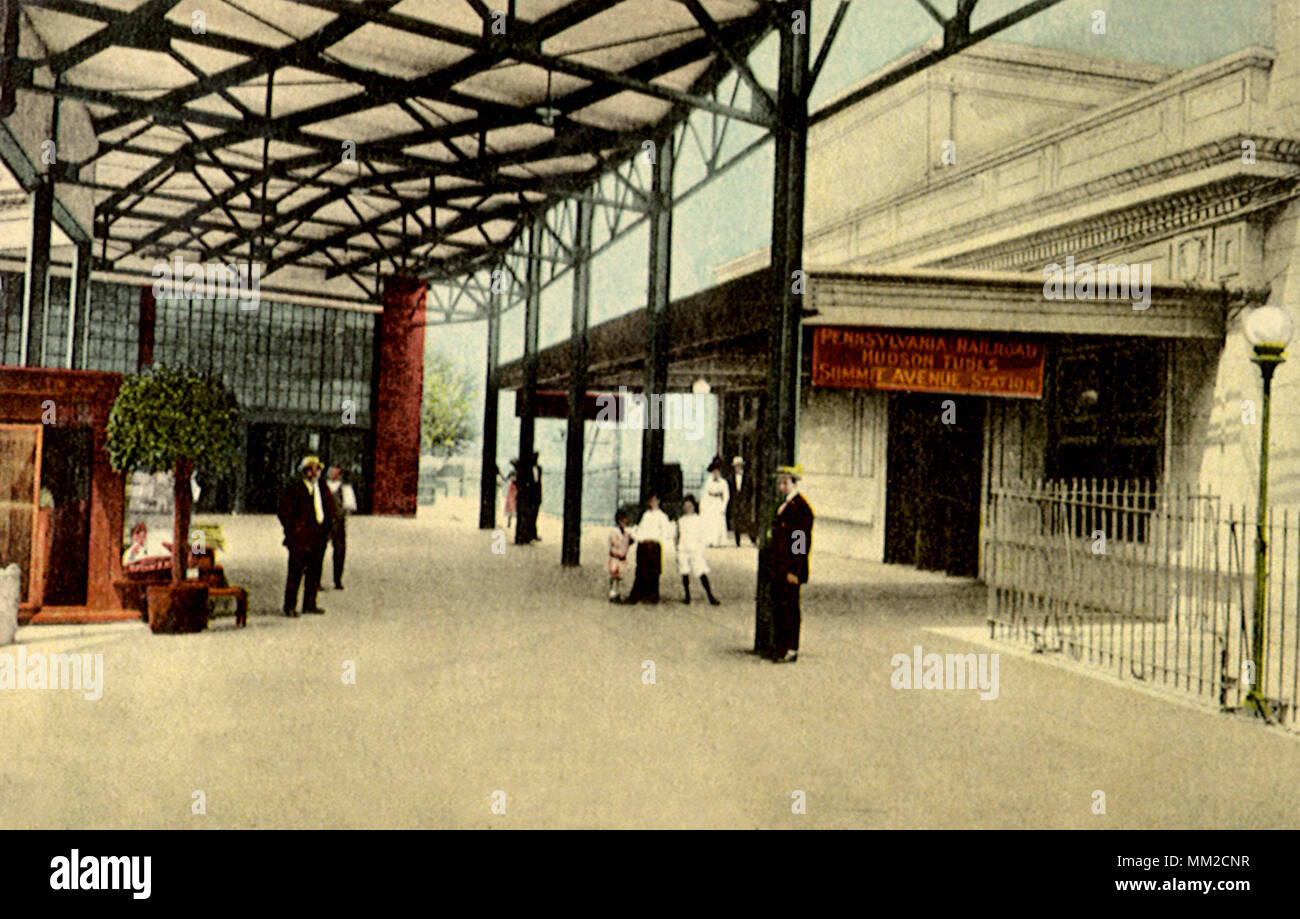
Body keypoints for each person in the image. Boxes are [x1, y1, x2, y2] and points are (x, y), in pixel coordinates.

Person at [765, 464, 814, 663]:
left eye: (781, 482)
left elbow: (800, 542)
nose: (778, 486)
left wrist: (796, 570)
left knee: (789, 609)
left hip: (789, 569)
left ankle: (790, 647)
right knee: (780, 606)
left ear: (788, 482)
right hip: (779, 567)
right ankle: (781, 645)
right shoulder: (785, 505)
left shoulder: (800, 508)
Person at [277, 455, 335, 617]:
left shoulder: (322, 488)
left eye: (317, 469)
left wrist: (328, 529)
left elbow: (329, 508)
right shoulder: (295, 488)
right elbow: (284, 511)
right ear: (304, 471)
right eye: (310, 469)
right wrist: (293, 530)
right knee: (295, 572)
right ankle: (289, 605)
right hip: (300, 538)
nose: (314, 473)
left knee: (315, 571)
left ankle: (310, 603)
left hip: (319, 536)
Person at [626, 493, 674, 604]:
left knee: (654, 571)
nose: (653, 503)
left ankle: (652, 595)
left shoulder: (662, 516)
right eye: (651, 501)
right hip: (643, 544)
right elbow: (640, 530)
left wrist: (658, 540)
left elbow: (666, 532)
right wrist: (636, 537)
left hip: (653, 545)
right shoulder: (646, 515)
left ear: (658, 502)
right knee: (641, 570)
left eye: (655, 501)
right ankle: (637, 594)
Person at [676, 495, 720, 605]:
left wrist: (700, 548)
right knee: (684, 571)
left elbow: (703, 535)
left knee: (700, 571)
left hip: (695, 548)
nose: (688, 508)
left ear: (694, 506)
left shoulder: (699, 520)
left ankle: (710, 595)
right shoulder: (681, 520)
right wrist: (678, 549)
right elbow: (677, 535)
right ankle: (687, 596)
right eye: (686, 506)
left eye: (690, 506)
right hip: (683, 547)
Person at [325, 466, 357, 590]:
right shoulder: (323, 486)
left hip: (338, 523)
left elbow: (350, 506)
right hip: (323, 522)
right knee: (317, 552)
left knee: (339, 550)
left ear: (339, 474)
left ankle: (337, 579)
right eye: (330, 472)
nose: (332, 474)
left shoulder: (345, 488)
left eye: (335, 472)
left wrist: (342, 515)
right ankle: (315, 580)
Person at [727, 455, 757, 546]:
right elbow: (730, 491)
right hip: (736, 502)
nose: (738, 467)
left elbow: (751, 490)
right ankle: (737, 541)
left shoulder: (748, 477)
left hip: (745, 502)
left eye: (739, 465)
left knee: (747, 522)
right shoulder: (731, 478)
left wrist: (748, 500)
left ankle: (753, 539)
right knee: (736, 522)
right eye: (736, 466)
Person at [606, 509, 635, 602]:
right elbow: (614, 543)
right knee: (614, 575)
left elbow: (630, 542)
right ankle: (612, 592)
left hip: (622, 557)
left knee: (620, 576)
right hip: (615, 557)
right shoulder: (614, 532)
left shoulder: (626, 532)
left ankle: (618, 592)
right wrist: (625, 539)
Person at [700, 458, 731, 546]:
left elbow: (726, 496)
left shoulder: (723, 482)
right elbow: (705, 493)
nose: (715, 473)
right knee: (709, 521)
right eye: (714, 471)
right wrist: (703, 505)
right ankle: (709, 540)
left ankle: (718, 541)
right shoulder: (708, 482)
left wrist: (724, 506)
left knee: (718, 522)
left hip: (718, 502)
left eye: (717, 471)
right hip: (710, 502)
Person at [515, 452, 542, 544]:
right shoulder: (526, 470)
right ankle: (529, 534)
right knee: (529, 514)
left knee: (534, 514)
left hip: (536, 495)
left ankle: (533, 534)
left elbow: (539, 483)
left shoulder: (539, 469)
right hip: (529, 495)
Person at [502, 462, 518, 529]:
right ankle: (515, 522)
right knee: (515, 504)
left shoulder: (511, 472)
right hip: (516, 489)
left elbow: (505, 479)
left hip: (511, 489)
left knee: (509, 504)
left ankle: (509, 522)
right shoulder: (519, 473)